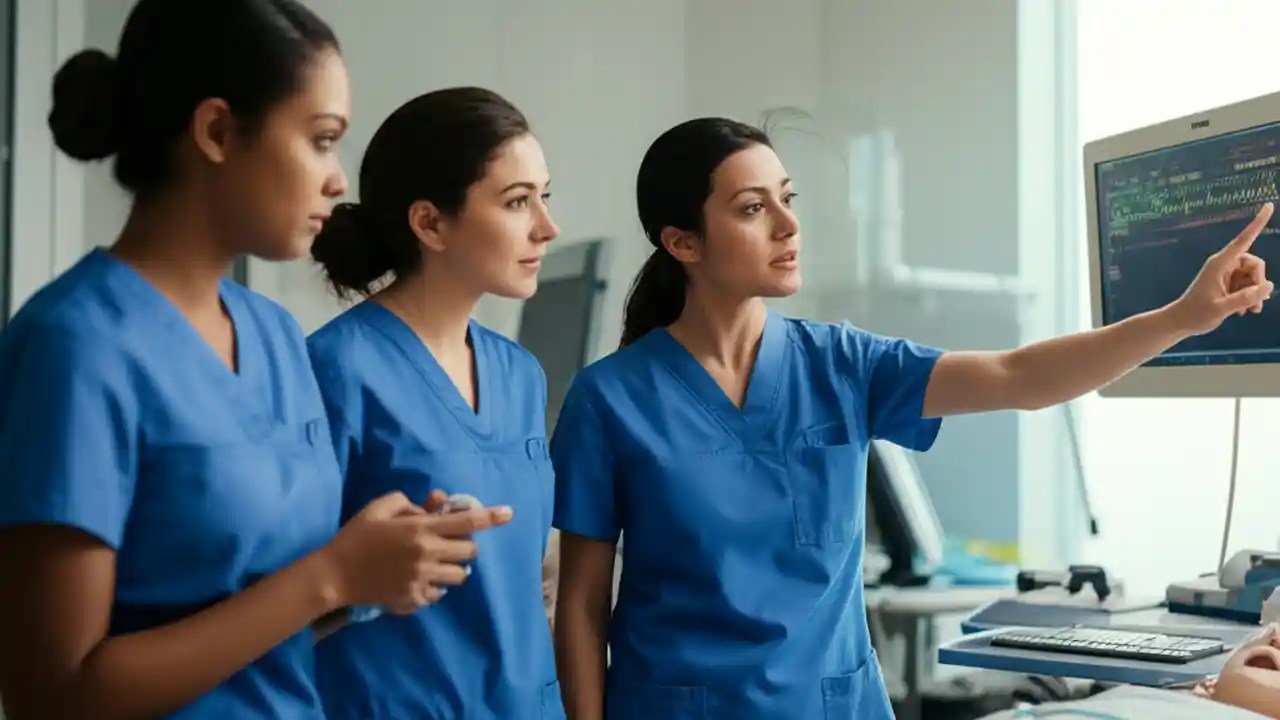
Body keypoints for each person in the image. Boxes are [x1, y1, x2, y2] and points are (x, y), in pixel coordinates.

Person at [550, 116, 1275, 720]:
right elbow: (581, 606)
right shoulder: (611, 399)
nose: (788, 224)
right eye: (751, 209)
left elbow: (1019, 377)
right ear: (683, 244)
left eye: (786, 197)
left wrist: (1183, 317)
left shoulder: (839, 364)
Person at [0, 3, 509, 718]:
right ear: (216, 131)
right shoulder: (77, 346)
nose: (338, 180)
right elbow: (51, 694)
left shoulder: (272, 334)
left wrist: (378, 567)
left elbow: (256, 610)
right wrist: (328, 578)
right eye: (322, 140)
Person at [307, 86, 564, 719]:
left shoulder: (521, 375)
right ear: (430, 223)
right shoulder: (333, 371)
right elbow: (274, 600)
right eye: (516, 202)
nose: (546, 228)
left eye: (545, 197)